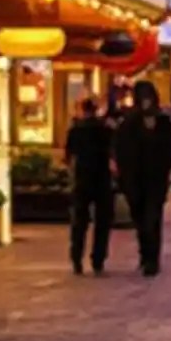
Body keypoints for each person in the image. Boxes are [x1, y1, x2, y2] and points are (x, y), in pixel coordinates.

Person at [113, 81, 171, 277]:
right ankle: (144, 253)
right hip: (134, 179)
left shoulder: (163, 122)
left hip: (156, 179)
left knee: (153, 218)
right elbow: (120, 148)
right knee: (140, 219)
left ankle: (152, 259)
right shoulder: (129, 123)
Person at [65, 97, 113, 276]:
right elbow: (112, 152)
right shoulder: (105, 129)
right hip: (102, 178)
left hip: (82, 178)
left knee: (79, 221)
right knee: (102, 221)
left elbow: (69, 156)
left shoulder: (76, 130)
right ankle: (98, 259)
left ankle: (77, 258)